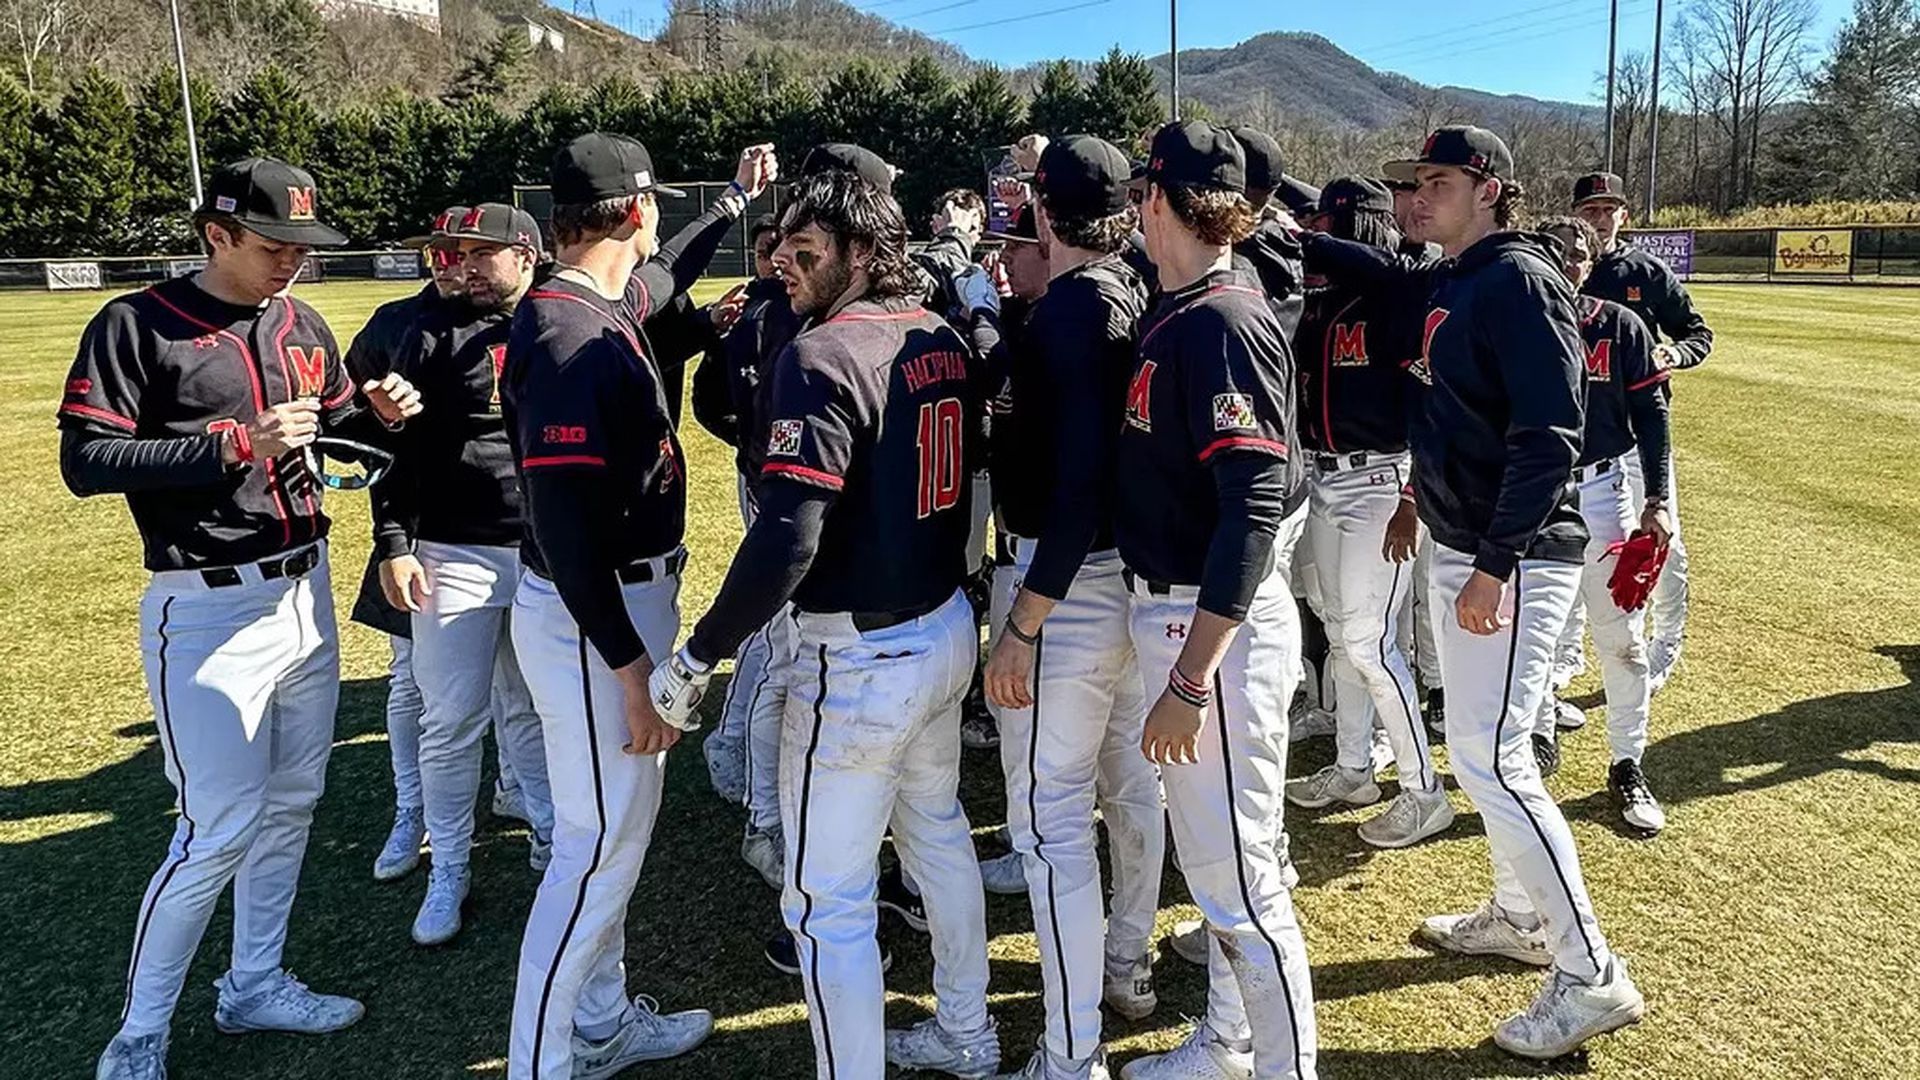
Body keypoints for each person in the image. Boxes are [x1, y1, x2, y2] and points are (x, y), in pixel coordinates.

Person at [64, 157, 420, 1080]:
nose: (292, 264)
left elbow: (342, 436)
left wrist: (379, 414)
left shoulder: (302, 321)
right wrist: (231, 444)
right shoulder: (136, 324)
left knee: (295, 804)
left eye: (304, 246)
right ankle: (139, 1034)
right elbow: (87, 460)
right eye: (273, 246)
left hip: (305, 588)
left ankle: (254, 982)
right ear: (215, 233)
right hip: (207, 604)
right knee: (215, 826)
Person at [654, 168, 1000, 1080]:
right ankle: (969, 1029)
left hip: (858, 653)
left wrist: (700, 652)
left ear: (860, 252)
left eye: (806, 252)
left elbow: (786, 541)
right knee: (939, 834)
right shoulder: (937, 333)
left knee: (824, 899)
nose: (783, 269)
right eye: (780, 249)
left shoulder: (820, 355)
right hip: (940, 624)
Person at [502, 132, 774, 1079]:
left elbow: (660, 283)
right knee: (595, 847)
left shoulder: (599, 299)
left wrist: (733, 206)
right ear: (635, 210)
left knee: (610, 840)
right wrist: (629, 672)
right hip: (597, 622)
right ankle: (540, 1059)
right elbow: (567, 530)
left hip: (618, 607)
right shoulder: (569, 334)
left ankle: (603, 1020)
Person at [1388, 125, 1645, 1059]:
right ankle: (1518, 913)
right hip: (1470, 542)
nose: (1418, 197)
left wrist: (1495, 562)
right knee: (1481, 748)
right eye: (1415, 182)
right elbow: (1458, 416)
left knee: (1496, 759)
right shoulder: (1456, 277)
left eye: (1438, 181)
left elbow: (1549, 436)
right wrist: (1425, 504)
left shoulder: (1521, 279)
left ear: (1491, 188)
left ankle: (1590, 974)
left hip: (1521, 552)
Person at [1115, 120, 1318, 1080]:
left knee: (1239, 886)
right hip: (1194, 618)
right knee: (1236, 866)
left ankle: (1283, 1067)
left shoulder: (1224, 318)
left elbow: (1254, 511)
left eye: (1140, 200)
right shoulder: (1188, 304)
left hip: (1213, 632)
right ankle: (1233, 1041)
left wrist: (1190, 680)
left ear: (1158, 199)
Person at [975, 134, 1167, 1079]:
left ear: (1047, 215)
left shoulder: (1073, 309)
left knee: (1051, 825)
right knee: (1130, 788)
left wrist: (1023, 620)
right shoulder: (1131, 287)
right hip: (1123, 579)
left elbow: (1079, 480)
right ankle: (1125, 965)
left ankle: (1070, 1050)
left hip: (1066, 582)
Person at [373, 203, 557, 945]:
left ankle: (548, 833)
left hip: (544, 548)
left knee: (537, 708)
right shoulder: (413, 324)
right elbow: (375, 444)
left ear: (527, 254)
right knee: (449, 719)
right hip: (453, 548)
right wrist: (393, 540)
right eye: (450, 252)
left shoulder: (557, 313)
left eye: (481, 253)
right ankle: (450, 862)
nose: (461, 266)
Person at [1282, 176, 1452, 850]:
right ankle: (1355, 766)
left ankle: (1422, 789)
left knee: (1373, 644)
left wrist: (1413, 497)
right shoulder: (1325, 300)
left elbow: (1428, 405)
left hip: (1382, 480)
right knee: (1342, 630)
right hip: (1325, 479)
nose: (1319, 233)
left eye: (1332, 222)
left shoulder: (1399, 289)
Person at [1535, 215, 1674, 834]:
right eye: (1551, 254)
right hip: (1534, 497)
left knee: (1620, 638)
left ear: (1590, 264)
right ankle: (1539, 732)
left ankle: (1627, 762)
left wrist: (1659, 498)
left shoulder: (1619, 325)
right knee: (1535, 634)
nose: (1564, 264)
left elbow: (1653, 415)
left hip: (1601, 493)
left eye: (1574, 255)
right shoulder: (1519, 322)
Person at [346, 209, 465, 884]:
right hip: (413, 528)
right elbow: (345, 424)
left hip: (498, 532)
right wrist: (371, 409)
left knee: (512, 687)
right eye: (440, 253)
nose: (451, 263)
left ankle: (509, 790)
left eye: (464, 251)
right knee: (409, 683)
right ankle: (410, 809)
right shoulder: (393, 323)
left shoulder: (516, 316)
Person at [1572, 171, 1712, 691]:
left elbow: (1698, 331)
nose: (1600, 219)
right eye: (1591, 210)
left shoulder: (1645, 271)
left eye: (1609, 210)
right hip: (1586, 438)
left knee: (1662, 544)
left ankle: (1665, 641)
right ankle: (1569, 657)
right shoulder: (1559, 271)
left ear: (1624, 216)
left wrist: (1676, 352)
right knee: (1576, 547)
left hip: (1639, 432)